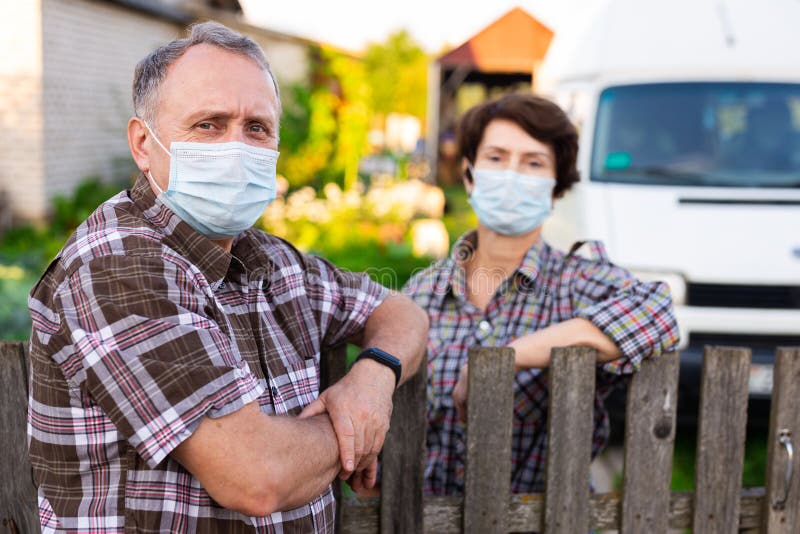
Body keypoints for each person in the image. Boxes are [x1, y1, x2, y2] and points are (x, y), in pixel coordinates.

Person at [27, 22, 428, 532]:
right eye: (208, 125)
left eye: (256, 128)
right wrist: (355, 430)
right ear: (143, 144)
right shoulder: (116, 267)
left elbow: (402, 313)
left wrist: (373, 378)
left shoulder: (270, 260)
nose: (236, 148)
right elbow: (258, 477)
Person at [402, 93, 679, 495]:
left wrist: (507, 357)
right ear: (469, 175)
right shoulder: (421, 294)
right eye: (496, 158)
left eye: (533, 163)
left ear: (555, 189)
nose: (512, 174)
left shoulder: (574, 283)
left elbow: (657, 312)